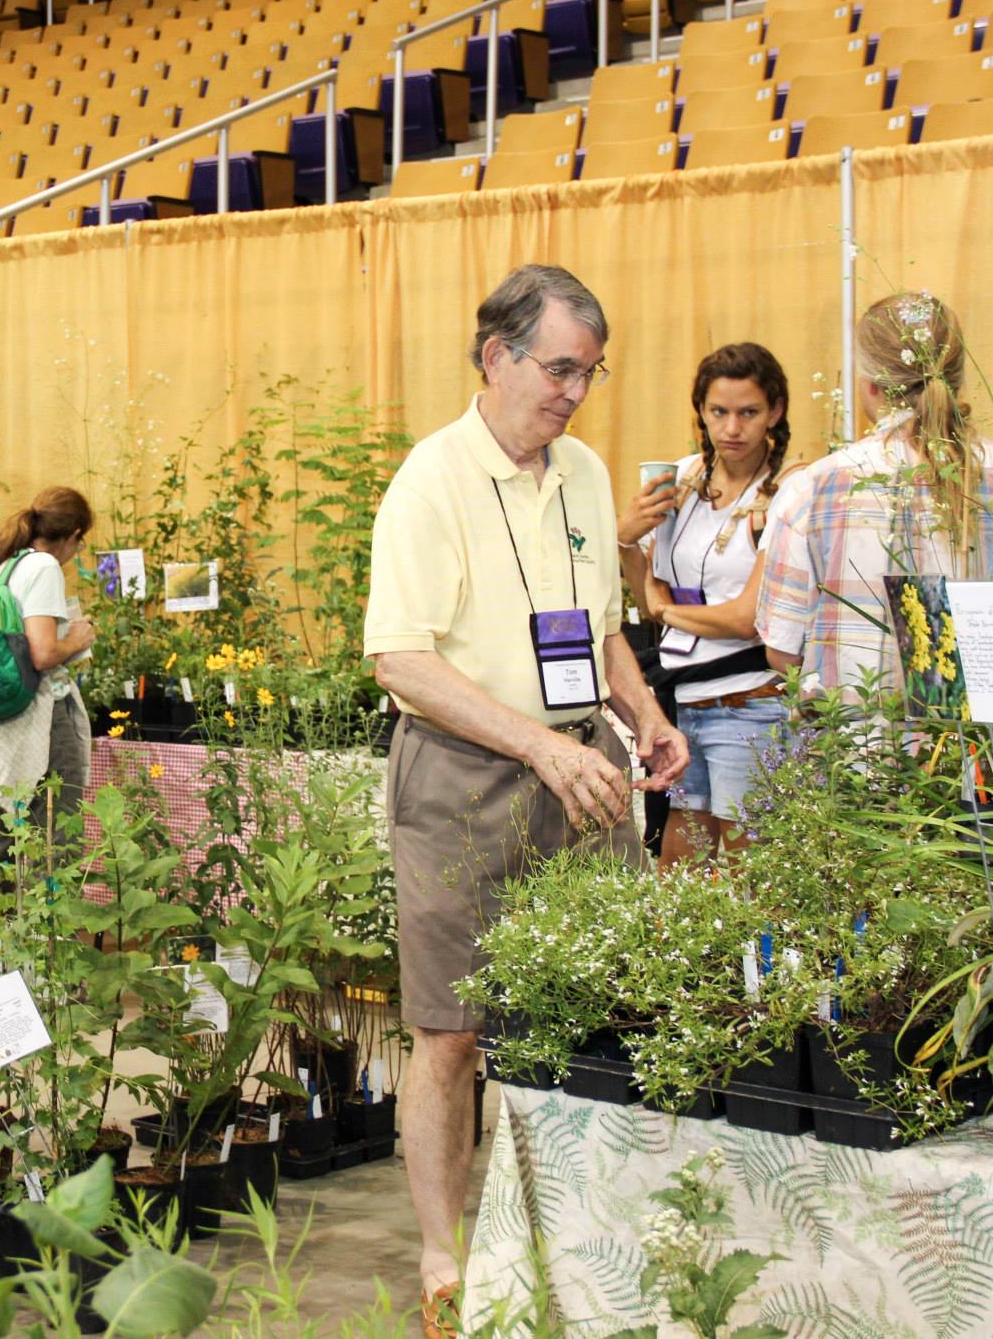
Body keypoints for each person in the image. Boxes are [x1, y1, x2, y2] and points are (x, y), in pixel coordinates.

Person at [362, 264, 688, 1334]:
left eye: (587, 375)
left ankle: (576, 1237)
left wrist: (639, 711)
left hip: (579, 764)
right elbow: (399, 659)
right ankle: (443, 1258)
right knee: (450, 1032)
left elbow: (595, 629)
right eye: (556, 369)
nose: (571, 394)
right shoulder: (429, 481)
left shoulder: (584, 472)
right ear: (495, 356)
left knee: (595, 1013)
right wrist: (539, 748)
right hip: (462, 778)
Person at [756, 292, 993, 692]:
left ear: (870, 385)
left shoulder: (816, 489)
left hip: (860, 745)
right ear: (959, 378)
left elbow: (782, 650)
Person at [616, 344, 800, 861]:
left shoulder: (788, 488)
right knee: (679, 869)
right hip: (682, 699)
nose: (732, 429)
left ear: (775, 412)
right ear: (700, 410)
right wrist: (625, 540)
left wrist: (667, 611)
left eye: (748, 413)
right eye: (719, 412)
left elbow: (748, 617)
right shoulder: (684, 476)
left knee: (751, 872)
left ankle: (755, 949)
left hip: (751, 701)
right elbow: (646, 586)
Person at [0, 487, 97, 882]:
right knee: (53, 837)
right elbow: (42, 653)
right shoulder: (43, 567)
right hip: (39, 719)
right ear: (72, 534)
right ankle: (49, 942)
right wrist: (78, 638)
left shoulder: (2, 567)